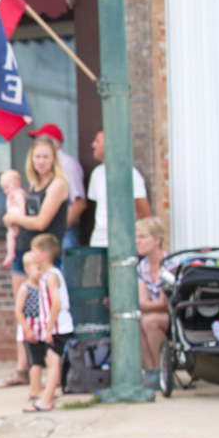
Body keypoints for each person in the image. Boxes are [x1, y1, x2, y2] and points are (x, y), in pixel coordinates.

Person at [0, 138, 70, 388]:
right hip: (23, 255)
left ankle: (50, 372)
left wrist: (12, 217)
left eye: (46, 157)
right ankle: (23, 370)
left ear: (54, 159)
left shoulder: (58, 184)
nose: (41, 161)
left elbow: (41, 222)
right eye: (37, 157)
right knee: (24, 312)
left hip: (43, 258)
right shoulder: (33, 185)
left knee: (47, 311)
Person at [85, 129, 154, 248]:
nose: (93, 144)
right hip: (97, 242)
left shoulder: (130, 174)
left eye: (98, 141)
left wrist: (132, 239)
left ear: (110, 144)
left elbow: (144, 213)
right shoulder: (96, 173)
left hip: (122, 244)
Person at [15, 248, 62, 412]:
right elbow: (18, 311)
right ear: (27, 269)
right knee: (36, 362)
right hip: (31, 329)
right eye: (38, 269)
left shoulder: (41, 286)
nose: (40, 273)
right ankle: (34, 390)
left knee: (42, 360)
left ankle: (40, 390)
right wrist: (27, 329)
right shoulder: (25, 288)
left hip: (41, 329)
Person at [30, 232, 73, 407]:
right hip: (53, 327)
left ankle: (47, 400)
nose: (31, 255)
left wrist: (48, 329)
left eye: (34, 251)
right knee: (51, 361)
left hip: (57, 328)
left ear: (44, 255)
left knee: (53, 362)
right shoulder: (46, 275)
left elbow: (57, 303)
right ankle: (47, 396)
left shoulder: (51, 276)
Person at [27, 123, 86, 248]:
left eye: (39, 140)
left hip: (61, 234)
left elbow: (79, 202)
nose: (35, 144)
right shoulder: (39, 171)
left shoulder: (67, 164)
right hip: (43, 236)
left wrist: (60, 228)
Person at [135, 215, 169, 388]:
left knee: (150, 321)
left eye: (142, 237)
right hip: (153, 313)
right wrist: (142, 306)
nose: (137, 241)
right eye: (136, 237)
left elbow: (165, 305)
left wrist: (141, 306)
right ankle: (151, 371)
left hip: (172, 316)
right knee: (137, 320)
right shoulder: (142, 267)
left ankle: (163, 370)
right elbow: (143, 301)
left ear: (158, 240)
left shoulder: (171, 264)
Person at [0, 168, 26, 270]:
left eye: (7, 188)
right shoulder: (12, 194)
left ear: (16, 183)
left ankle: (10, 254)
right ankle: (10, 254)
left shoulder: (18, 194)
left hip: (17, 221)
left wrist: (20, 219)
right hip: (15, 220)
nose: (5, 191)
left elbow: (22, 208)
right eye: (3, 188)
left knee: (10, 235)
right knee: (10, 235)